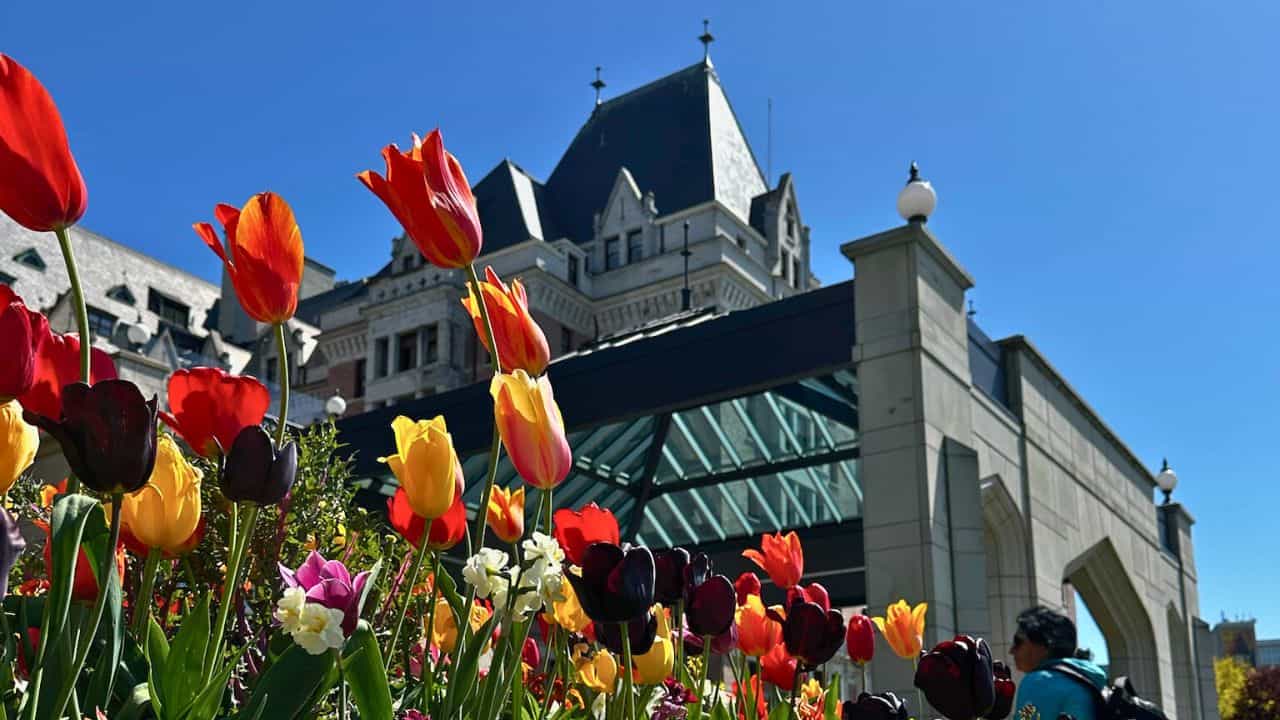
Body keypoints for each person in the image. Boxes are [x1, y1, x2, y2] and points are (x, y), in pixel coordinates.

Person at [1010, 606, 1108, 720]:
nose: (1011, 650)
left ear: (1044, 643)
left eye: (1018, 641)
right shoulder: (1091, 679)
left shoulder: (1038, 681)